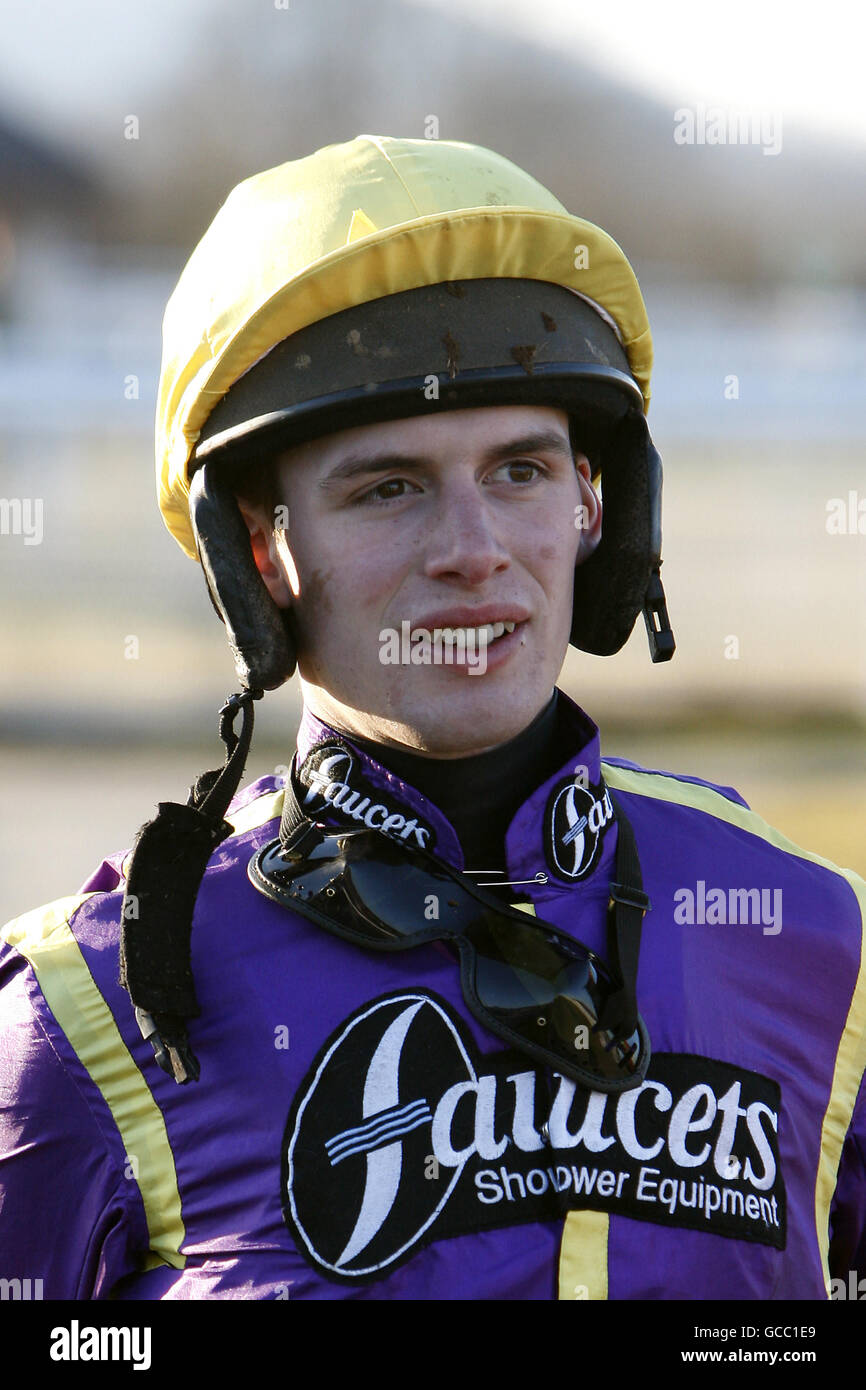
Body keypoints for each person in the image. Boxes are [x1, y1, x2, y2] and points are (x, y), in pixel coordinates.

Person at [1, 134, 864, 1303]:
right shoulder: (85, 1014)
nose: (473, 551)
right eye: (388, 486)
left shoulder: (813, 943)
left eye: (519, 470)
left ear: (595, 511)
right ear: (258, 554)